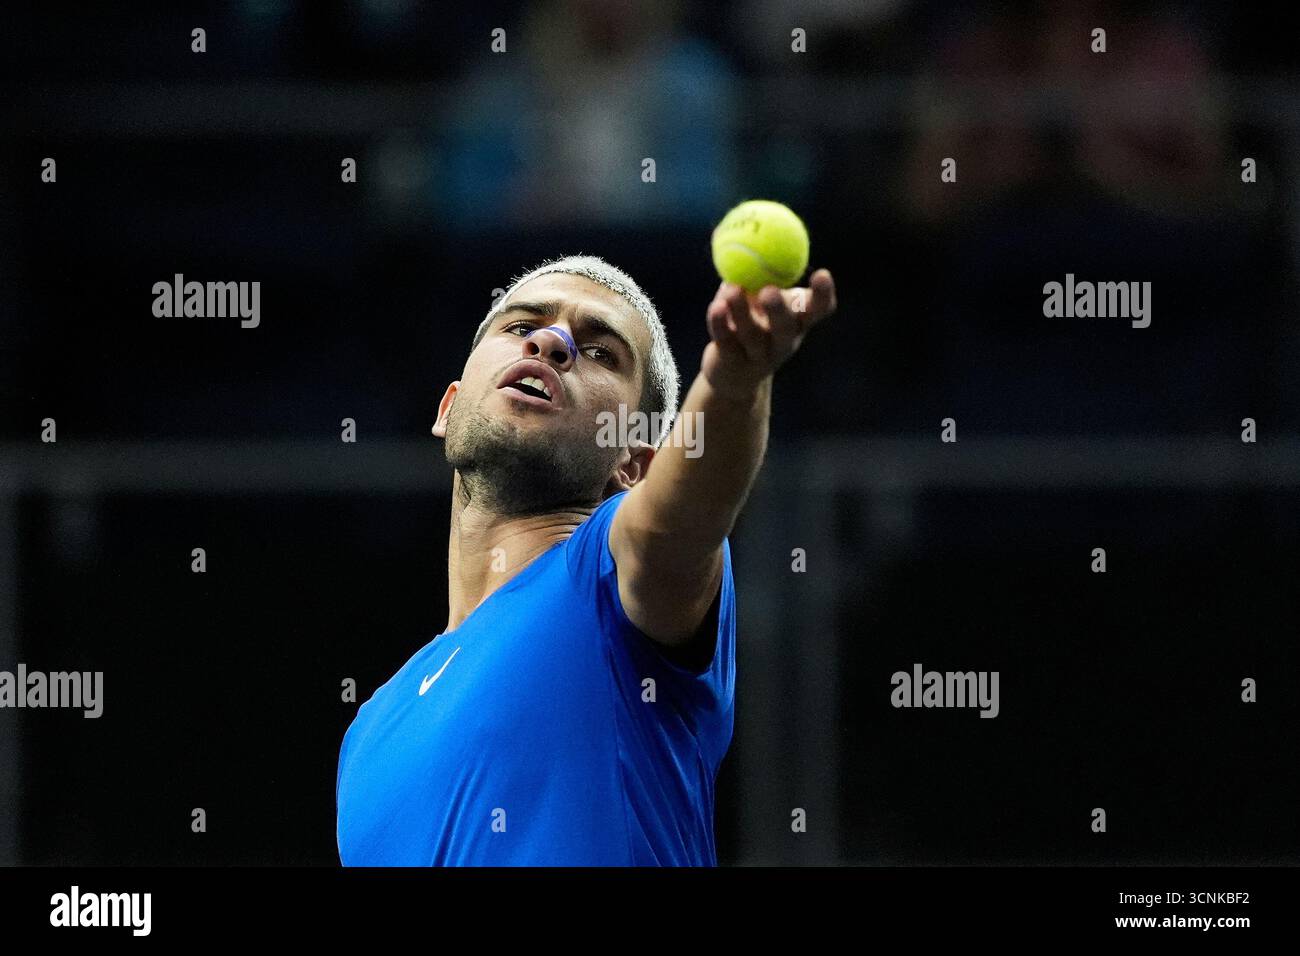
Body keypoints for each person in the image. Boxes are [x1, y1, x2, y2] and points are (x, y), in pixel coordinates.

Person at [336, 255, 837, 864]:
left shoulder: (609, 580)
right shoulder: (368, 733)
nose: (549, 341)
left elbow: (684, 515)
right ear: (449, 407)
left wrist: (735, 379)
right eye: (521, 326)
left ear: (635, 464)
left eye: (601, 351)